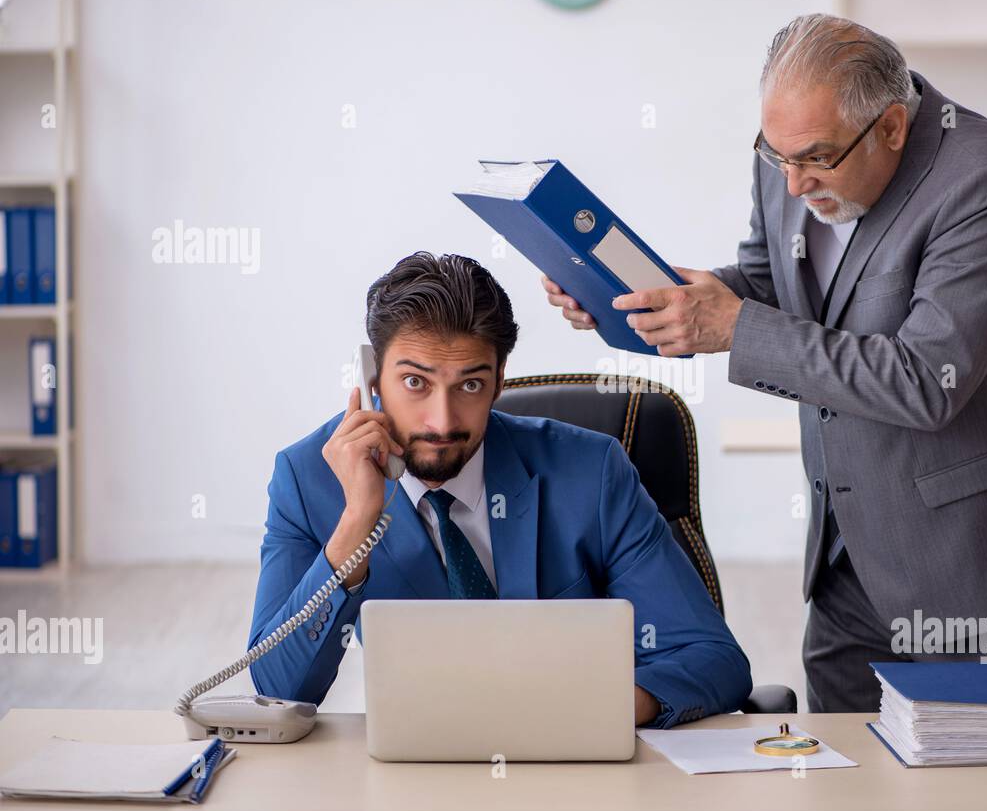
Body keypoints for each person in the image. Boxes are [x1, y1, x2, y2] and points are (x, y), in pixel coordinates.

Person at [542, 14, 987, 713]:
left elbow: (928, 380)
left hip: (981, 571)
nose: (794, 183)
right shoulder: (786, 156)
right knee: (849, 786)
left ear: (891, 127)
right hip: (847, 565)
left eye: (814, 159)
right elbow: (768, 284)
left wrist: (733, 327)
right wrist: (646, 300)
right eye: (777, 157)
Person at [249, 251, 752, 727]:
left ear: (498, 381)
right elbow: (281, 689)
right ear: (373, 379)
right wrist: (358, 519)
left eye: (469, 385)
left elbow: (713, 660)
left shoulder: (592, 471)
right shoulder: (307, 478)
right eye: (416, 383)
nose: (442, 421)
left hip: (574, 764)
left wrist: (589, 711)